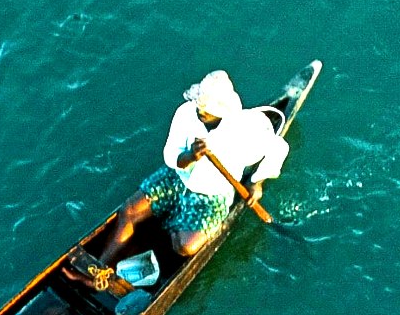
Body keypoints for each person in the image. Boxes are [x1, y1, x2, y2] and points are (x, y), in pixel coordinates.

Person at [96, 69, 288, 266]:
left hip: (212, 195)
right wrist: (191, 156)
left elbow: (279, 148)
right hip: (178, 177)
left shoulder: (246, 127)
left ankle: (163, 232)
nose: (200, 110)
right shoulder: (186, 113)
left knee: (185, 247)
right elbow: (172, 155)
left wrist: (257, 183)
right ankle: (99, 266)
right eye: (200, 104)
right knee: (128, 210)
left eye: (207, 108)